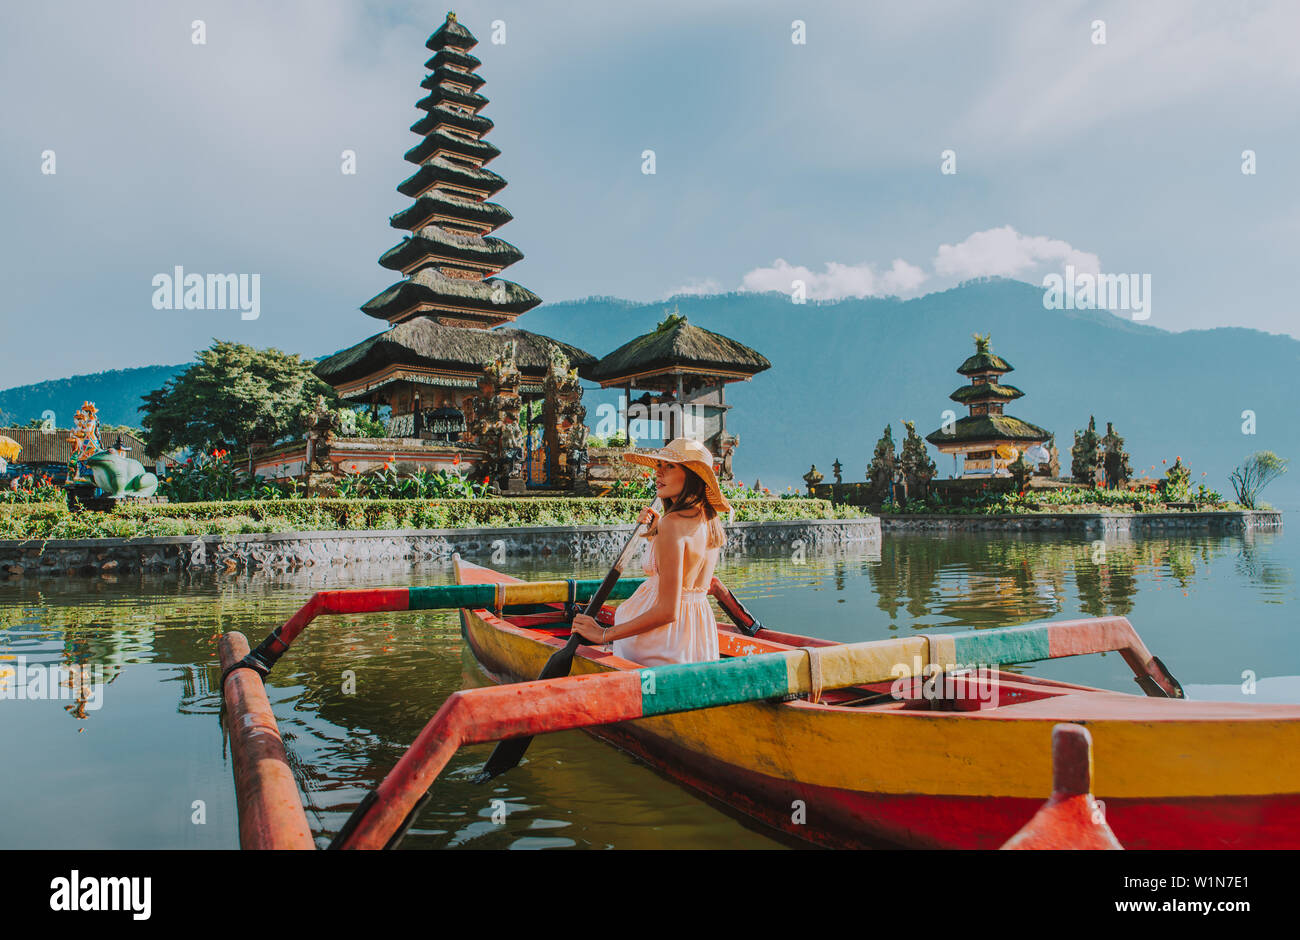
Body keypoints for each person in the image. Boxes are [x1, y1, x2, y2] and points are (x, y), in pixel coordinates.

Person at [570, 438, 730, 666]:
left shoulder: (672, 523)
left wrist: (604, 634)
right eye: (658, 465)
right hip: (697, 635)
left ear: (692, 475)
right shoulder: (709, 519)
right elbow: (687, 568)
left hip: (662, 641)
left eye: (670, 466)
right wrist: (656, 531)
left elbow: (667, 611)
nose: (659, 473)